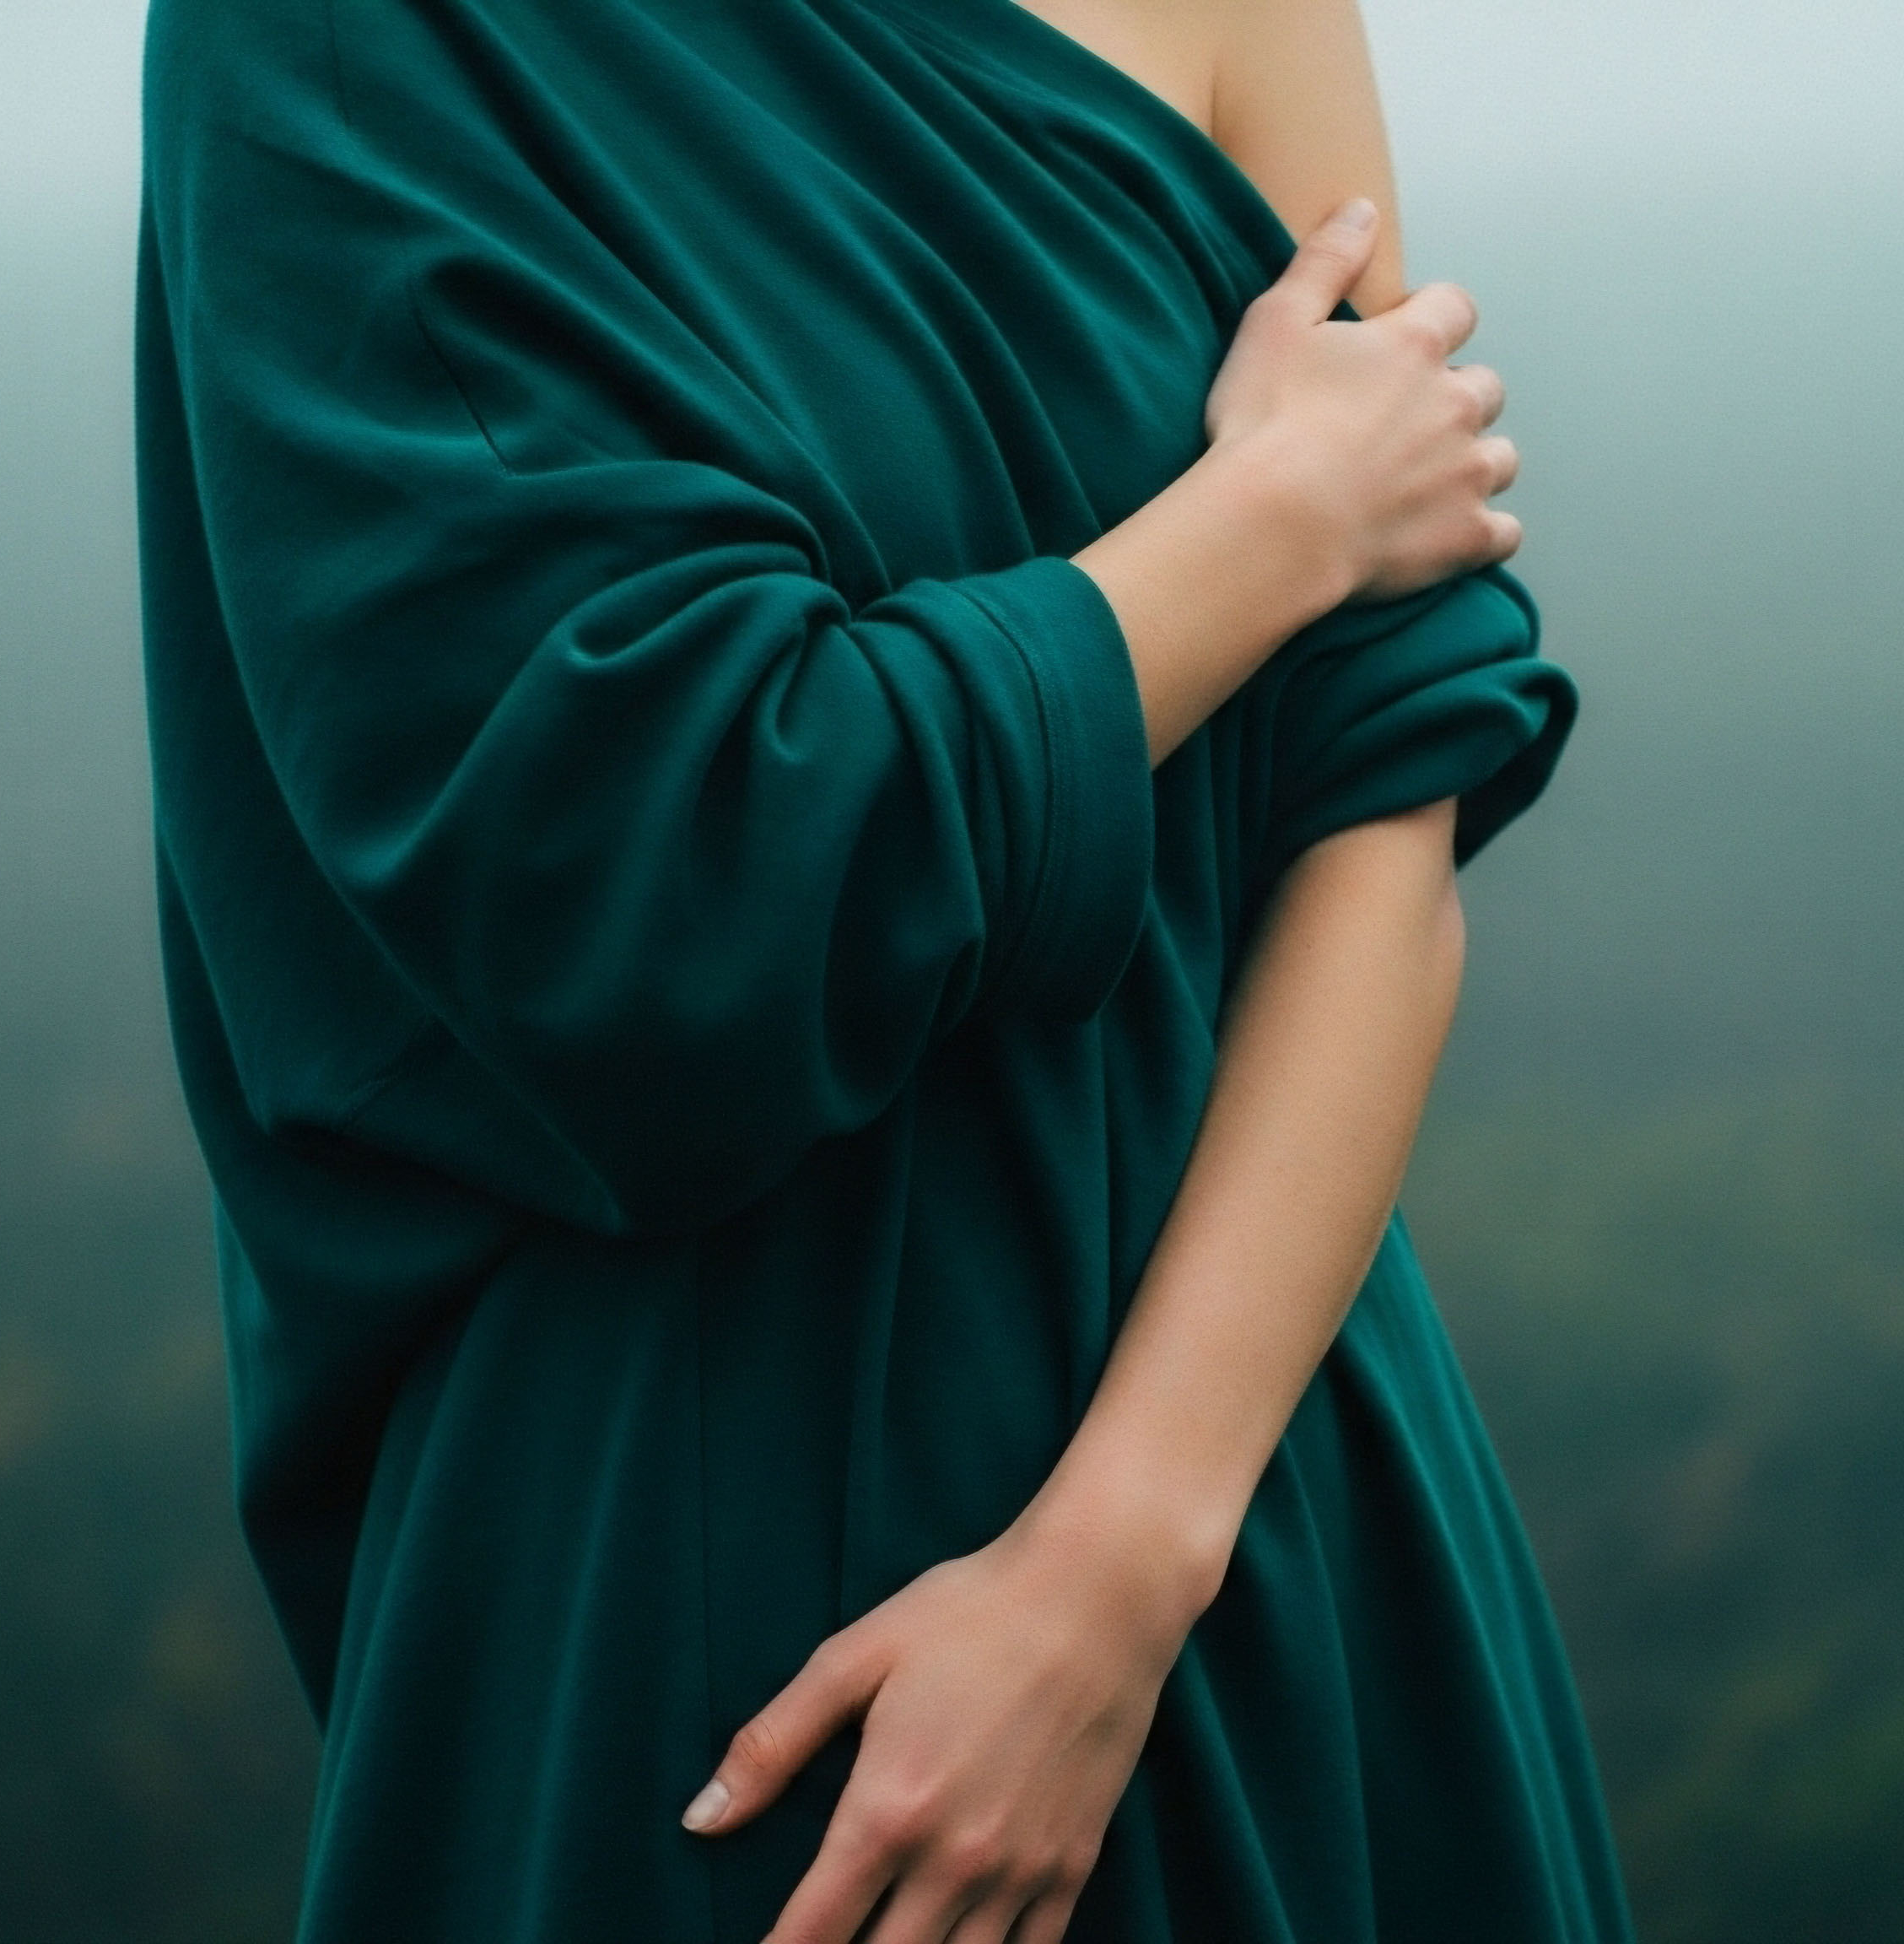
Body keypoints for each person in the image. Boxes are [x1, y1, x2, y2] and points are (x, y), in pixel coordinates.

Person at [135, 0, 1630, 1936]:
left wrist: (1120, 1565)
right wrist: (1275, 519)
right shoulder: (342, 40)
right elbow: (661, 886)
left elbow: (1388, 795)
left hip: (1261, 1505)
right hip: (712, 1598)